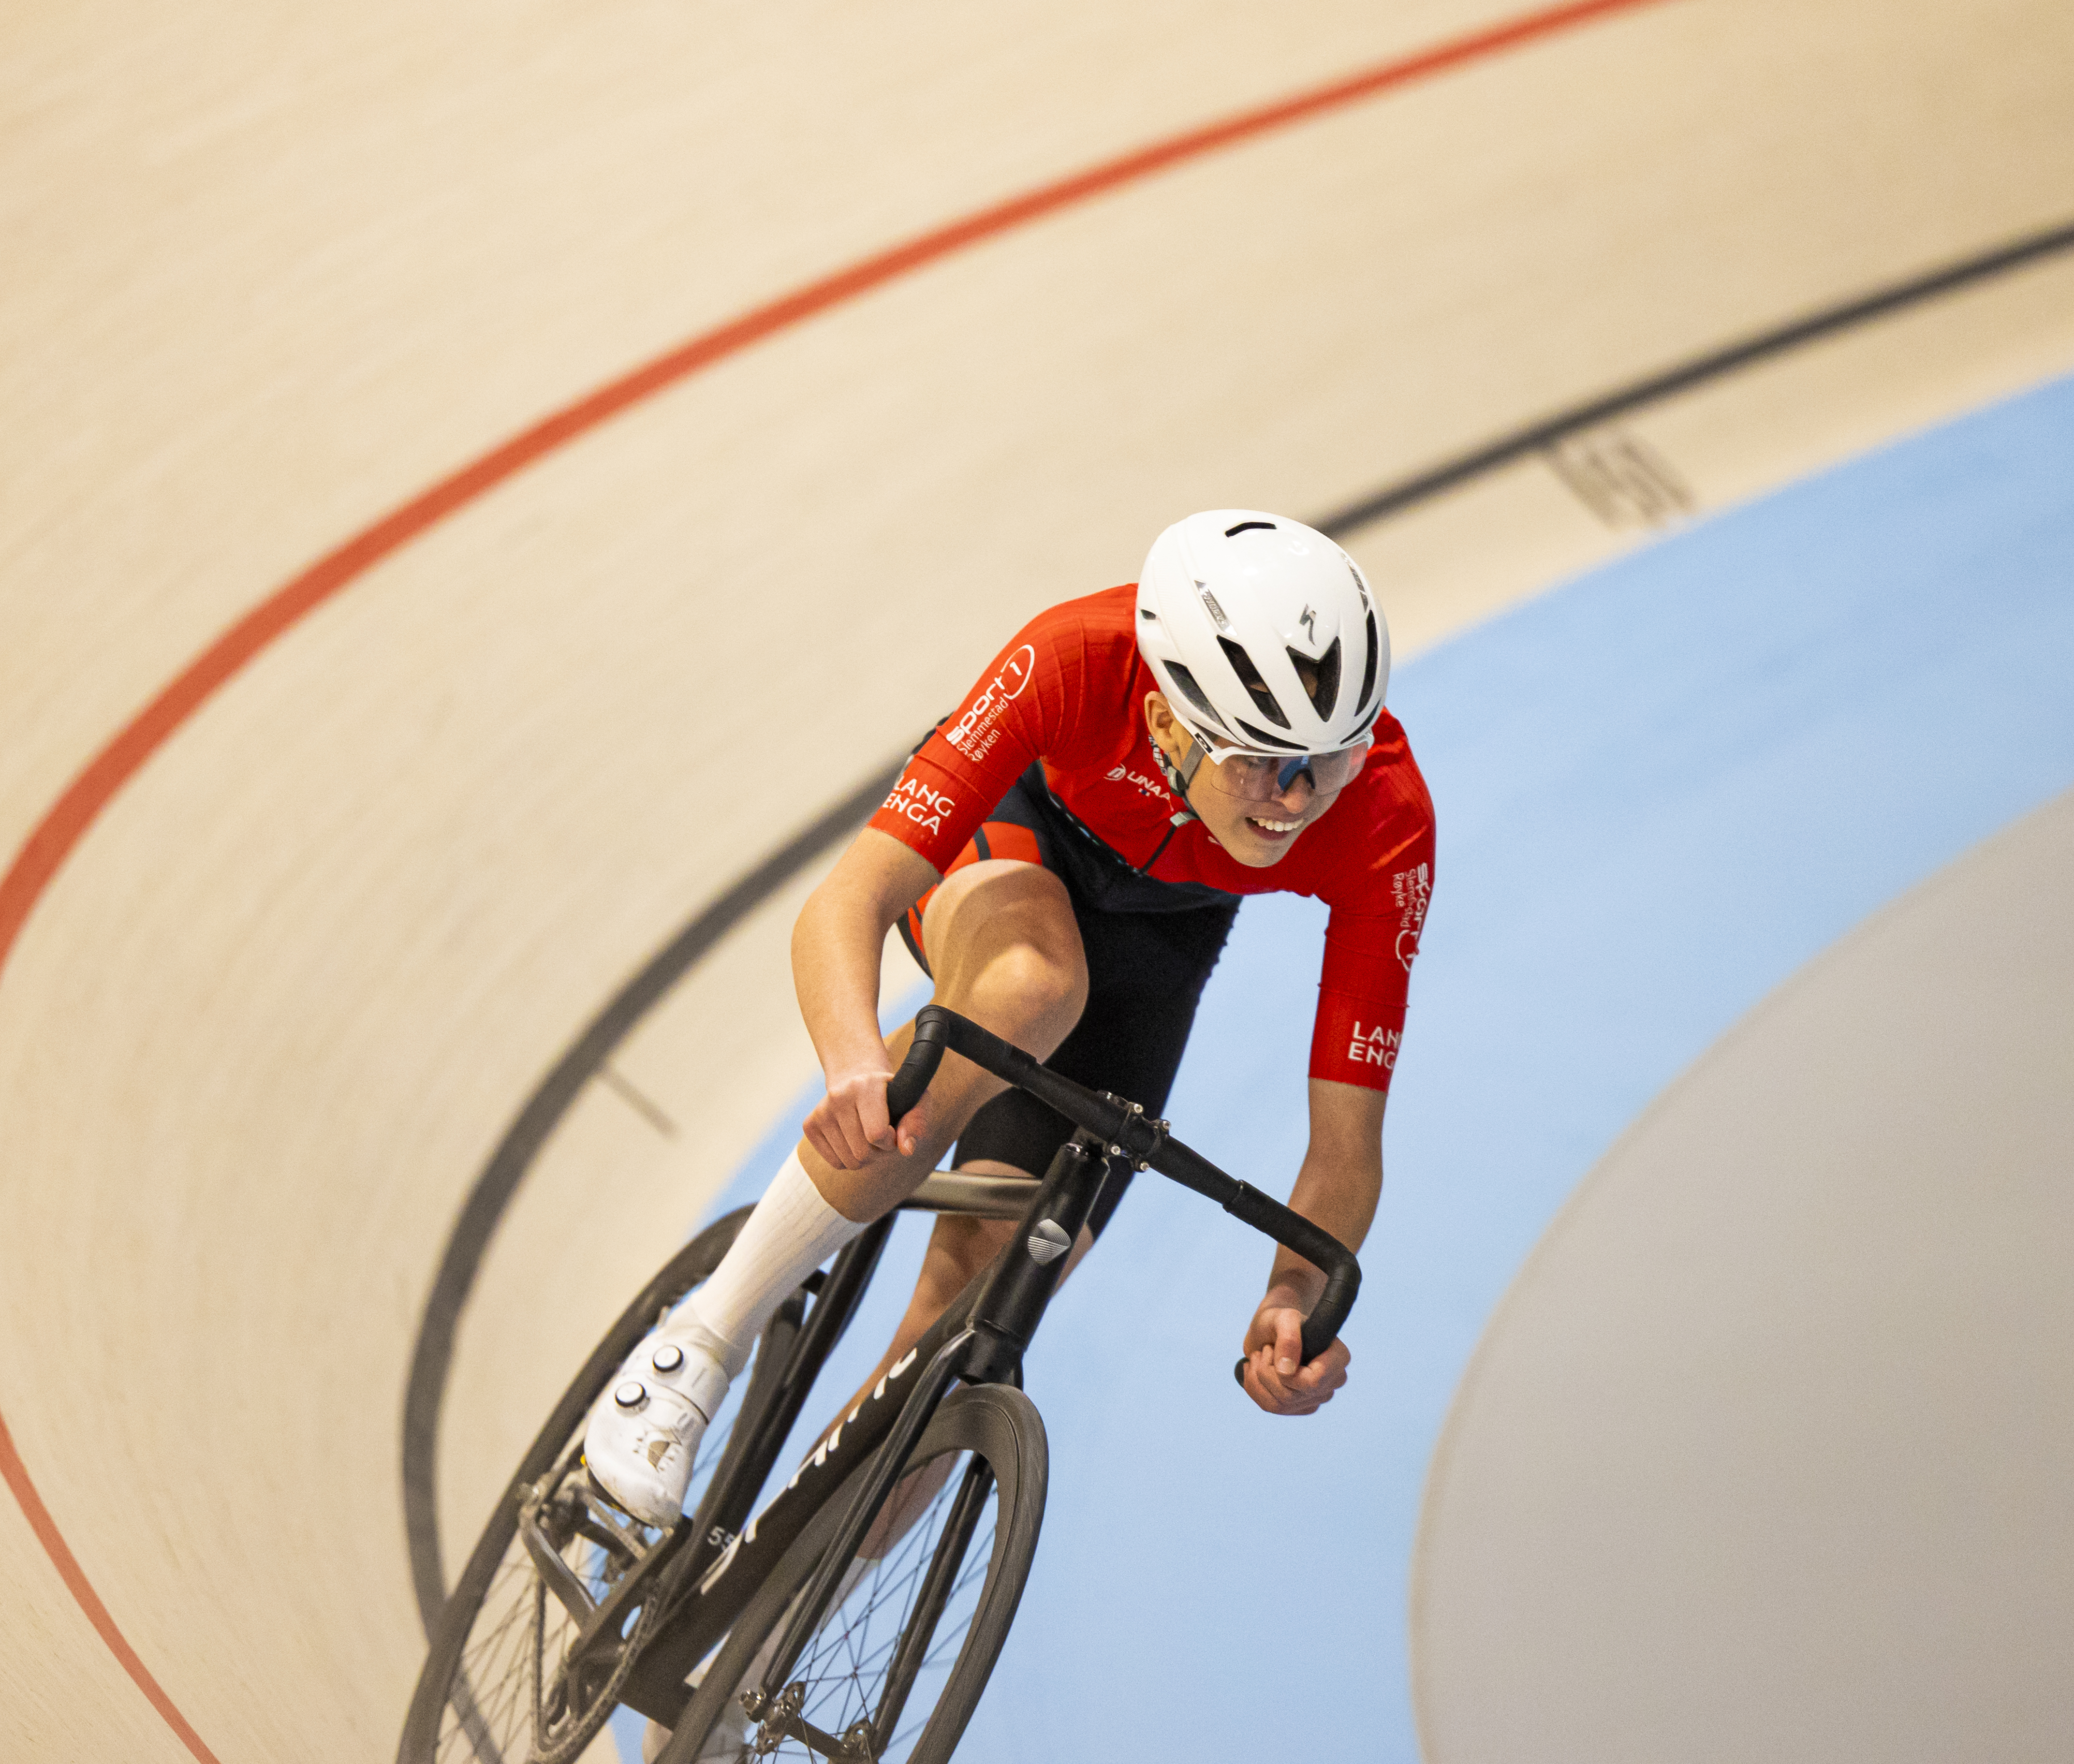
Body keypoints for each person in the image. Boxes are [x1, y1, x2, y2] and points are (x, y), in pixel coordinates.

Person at [585, 509, 1436, 1528]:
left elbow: (1347, 1143)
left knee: (995, 1303)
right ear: (1169, 718)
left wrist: (1294, 1294)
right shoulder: (1075, 660)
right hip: (1012, 834)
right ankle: (696, 1346)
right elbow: (846, 902)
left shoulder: (1384, 816)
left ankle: (748, 1639)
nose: (1294, 799)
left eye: (1326, 761)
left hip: (1159, 943)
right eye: (1259, 758)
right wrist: (857, 1061)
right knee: (1031, 984)